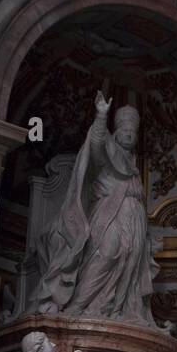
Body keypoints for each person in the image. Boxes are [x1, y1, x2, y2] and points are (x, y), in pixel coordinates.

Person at [30, 90, 158, 324]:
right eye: (125, 130)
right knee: (107, 253)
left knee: (130, 262)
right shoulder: (108, 153)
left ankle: (116, 310)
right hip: (109, 214)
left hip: (134, 218)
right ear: (116, 133)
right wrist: (101, 116)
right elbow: (97, 143)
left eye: (133, 131)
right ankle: (79, 306)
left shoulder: (134, 165)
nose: (129, 134)